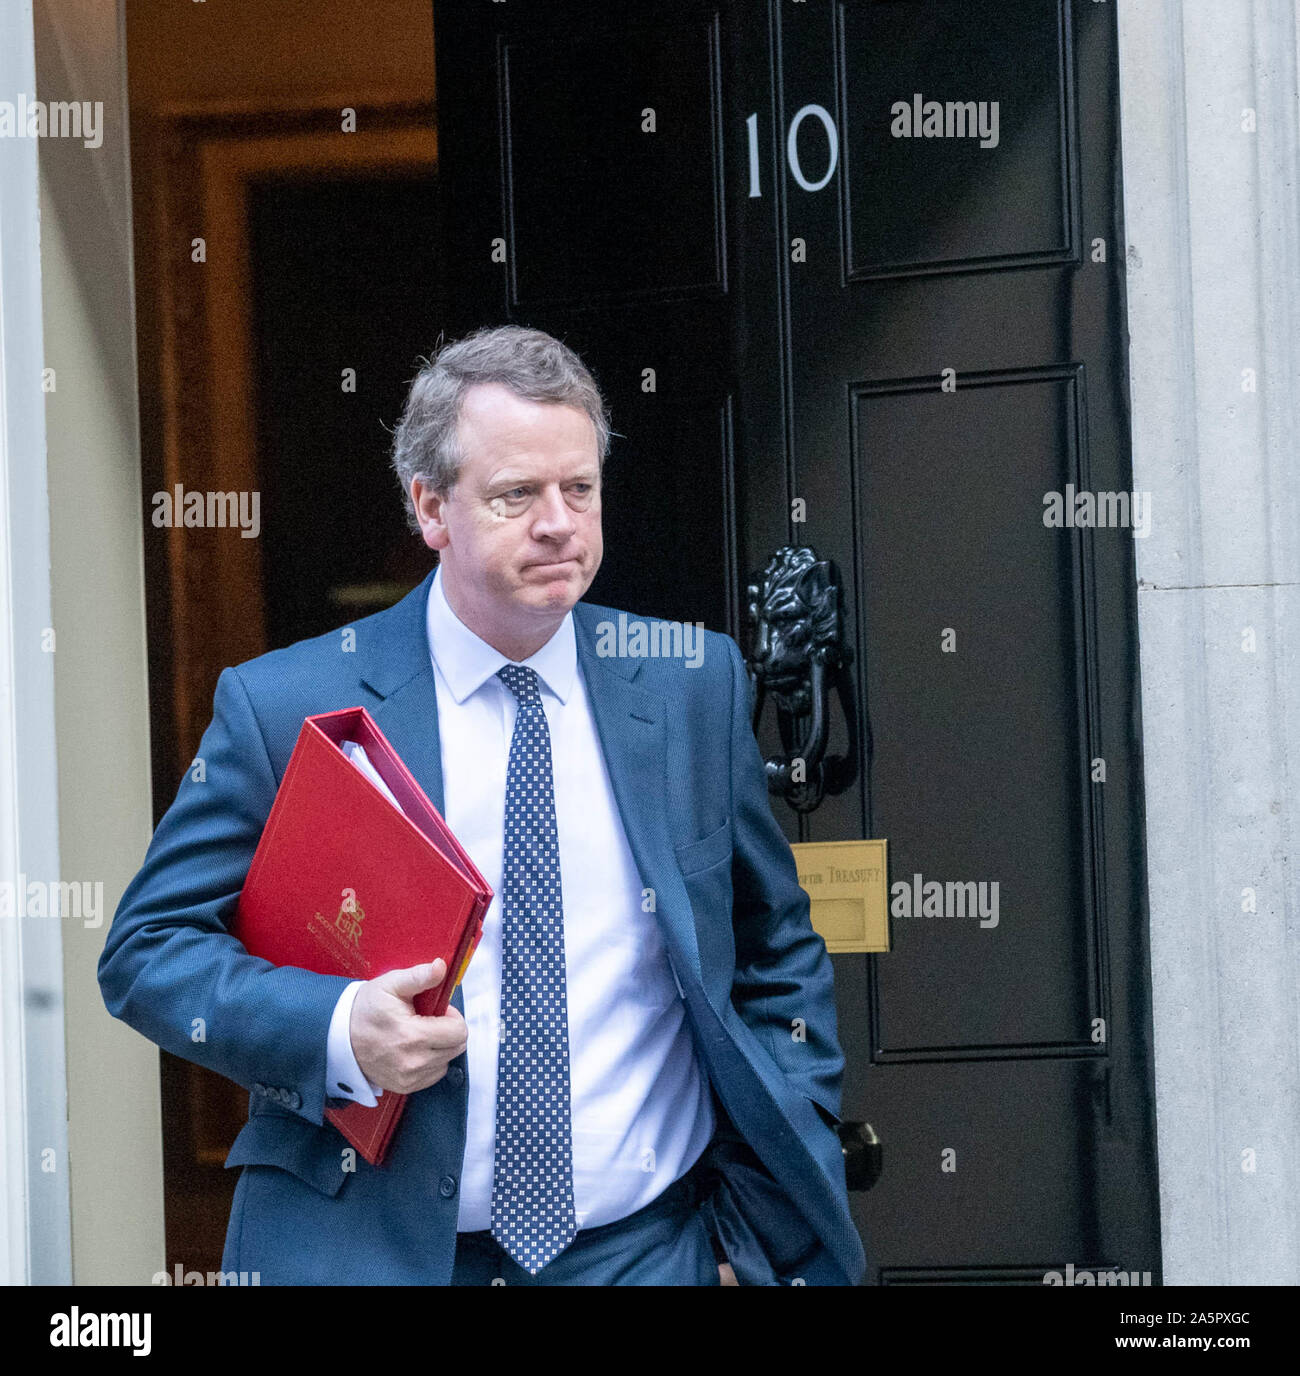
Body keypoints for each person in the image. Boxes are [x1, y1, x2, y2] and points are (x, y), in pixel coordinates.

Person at [98, 325, 865, 1286]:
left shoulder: (690, 686)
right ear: (430, 508)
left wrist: (743, 1240)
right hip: (369, 1252)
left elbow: (775, 950)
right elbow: (146, 953)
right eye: (516, 495)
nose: (559, 523)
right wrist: (338, 1028)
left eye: (579, 489)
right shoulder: (286, 708)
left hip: (647, 1254)